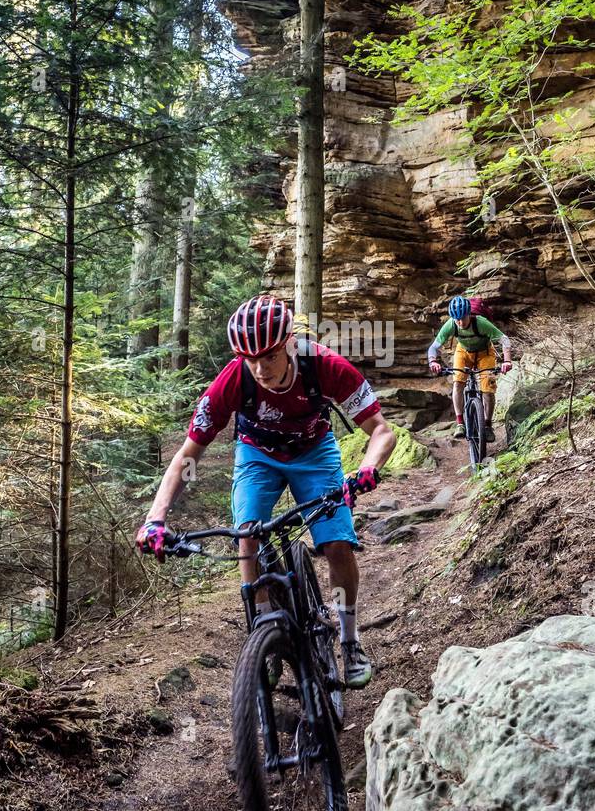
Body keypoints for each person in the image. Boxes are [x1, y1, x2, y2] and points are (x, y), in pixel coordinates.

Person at [136, 295, 395, 689]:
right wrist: (155, 519)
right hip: (256, 455)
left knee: (337, 544)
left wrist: (367, 469)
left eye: (269, 356)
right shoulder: (232, 381)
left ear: (289, 343)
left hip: (314, 452)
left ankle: (349, 639)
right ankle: (262, 629)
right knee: (247, 534)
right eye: (249, 358)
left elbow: (381, 431)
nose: (259, 368)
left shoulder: (324, 365)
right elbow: (187, 457)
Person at [427, 295, 513, 441]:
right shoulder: (451, 324)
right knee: (458, 384)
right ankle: (460, 423)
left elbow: (504, 340)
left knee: (488, 389)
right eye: (457, 319)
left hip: (485, 353)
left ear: (469, 314)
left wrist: (507, 361)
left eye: (463, 318)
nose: (460, 322)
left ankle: (487, 425)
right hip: (463, 352)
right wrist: (433, 361)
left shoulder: (481, 323)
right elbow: (434, 347)